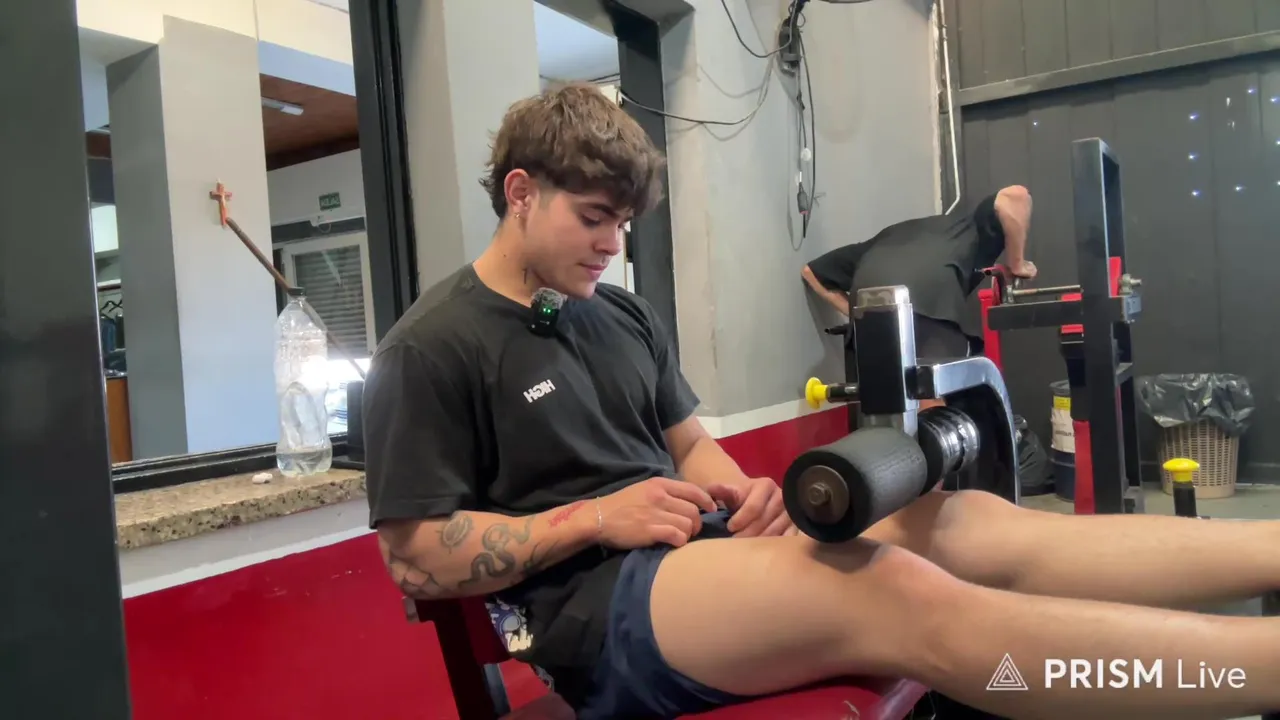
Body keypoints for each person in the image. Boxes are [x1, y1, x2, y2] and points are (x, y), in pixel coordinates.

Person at [363, 83, 1280, 720]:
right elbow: (416, 560)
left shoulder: (621, 315)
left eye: (624, 224)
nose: (612, 245)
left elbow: (690, 448)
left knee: (969, 525)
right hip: (598, 614)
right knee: (895, 592)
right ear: (521, 193)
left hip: (699, 557)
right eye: (592, 219)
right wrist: (598, 517)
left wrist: (742, 493)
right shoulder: (432, 345)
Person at [801, 187, 1037, 359]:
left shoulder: (884, 242)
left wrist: (861, 316)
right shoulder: (972, 227)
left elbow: (812, 272)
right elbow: (1016, 196)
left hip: (872, 321)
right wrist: (1017, 264)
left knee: (887, 400)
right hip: (925, 304)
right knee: (937, 391)